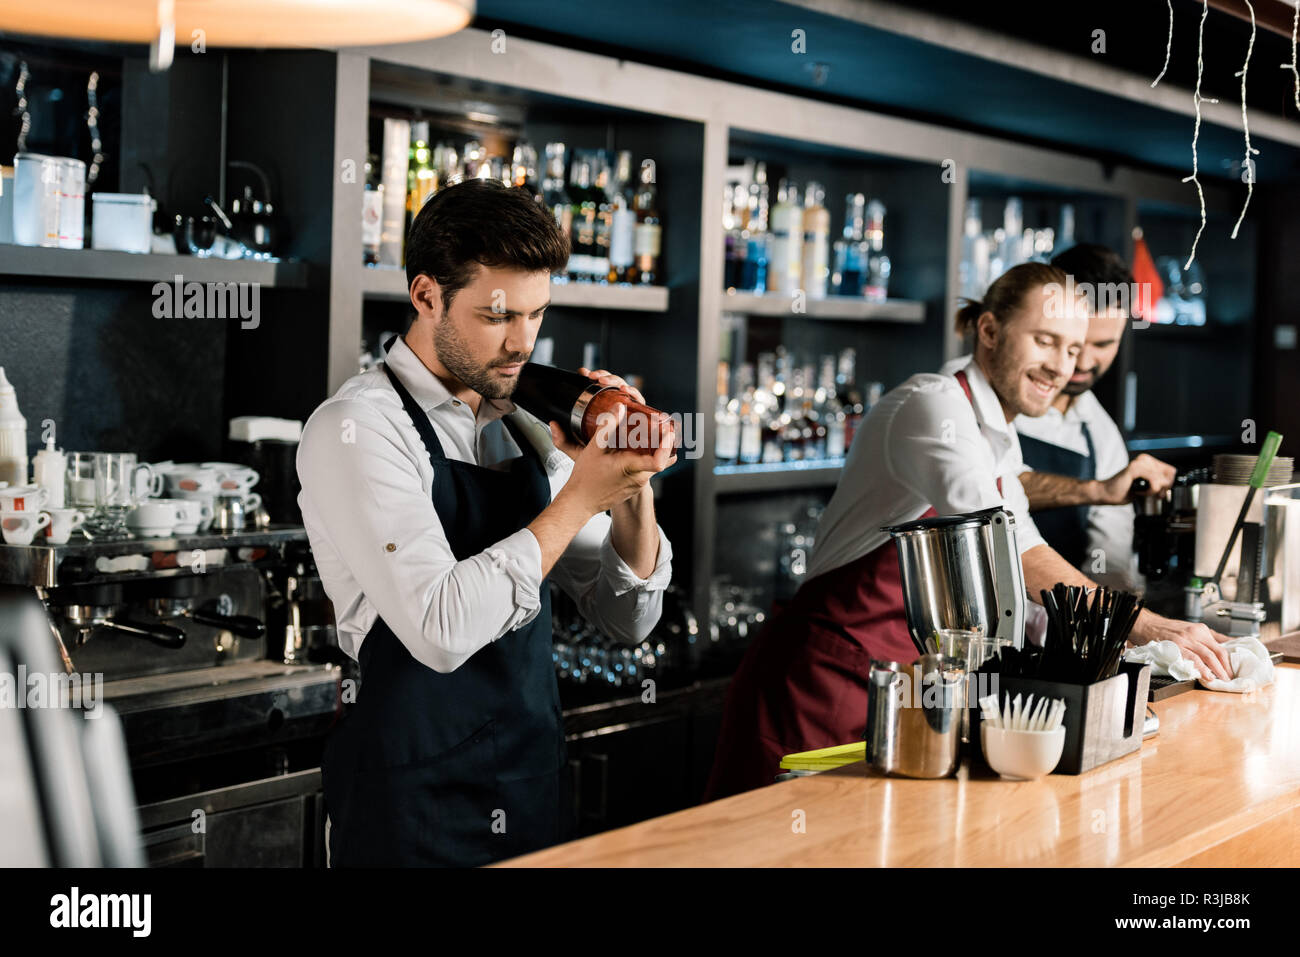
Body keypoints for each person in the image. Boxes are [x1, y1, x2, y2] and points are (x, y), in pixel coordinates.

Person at [704, 262, 1232, 801]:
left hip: (908, 697)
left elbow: (1021, 582)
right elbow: (1005, 543)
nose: (1060, 366)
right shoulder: (932, 406)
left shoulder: (999, 437)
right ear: (989, 330)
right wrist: (1140, 626)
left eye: (1072, 350)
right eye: (1045, 340)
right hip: (819, 686)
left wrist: (1099, 671)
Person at [297, 179, 676, 866]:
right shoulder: (356, 428)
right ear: (426, 296)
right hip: (408, 806)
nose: (522, 343)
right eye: (499, 316)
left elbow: (629, 616)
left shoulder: (527, 428)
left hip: (529, 787)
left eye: (536, 316)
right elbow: (440, 629)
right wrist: (578, 499)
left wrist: (629, 485)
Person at [1015, 244, 1173, 589]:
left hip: (1061, 626)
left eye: (1102, 345)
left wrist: (1121, 625)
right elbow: (985, 497)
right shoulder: (986, 403)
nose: (1082, 363)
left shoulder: (1099, 431)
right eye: (1073, 343)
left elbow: (1111, 558)